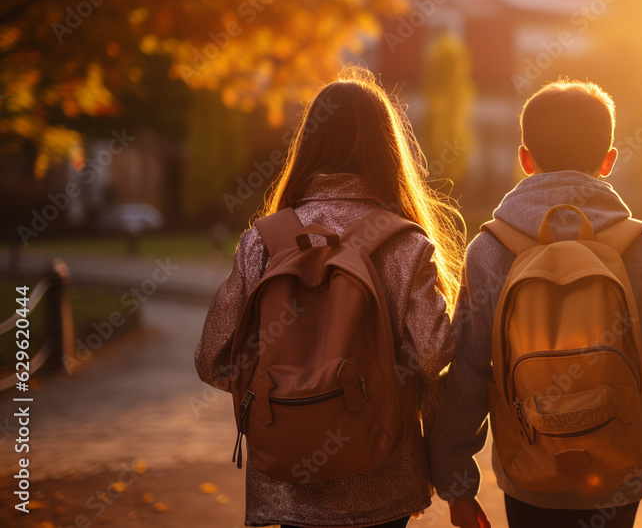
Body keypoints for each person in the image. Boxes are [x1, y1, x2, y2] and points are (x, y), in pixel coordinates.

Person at [195, 68, 464, 528]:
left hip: (289, 480)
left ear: (309, 145)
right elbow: (432, 355)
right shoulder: (404, 243)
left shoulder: (263, 241)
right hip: (384, 476)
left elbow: (212, 360)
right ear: (387, 150)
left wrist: (281, 398)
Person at [431, 80, 642, 528]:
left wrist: (457, 483)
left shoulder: (490, 250)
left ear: (525, 159)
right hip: (621, 470)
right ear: (608, 161)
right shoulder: (638, 248)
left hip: (528, 470)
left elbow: (468, 371)